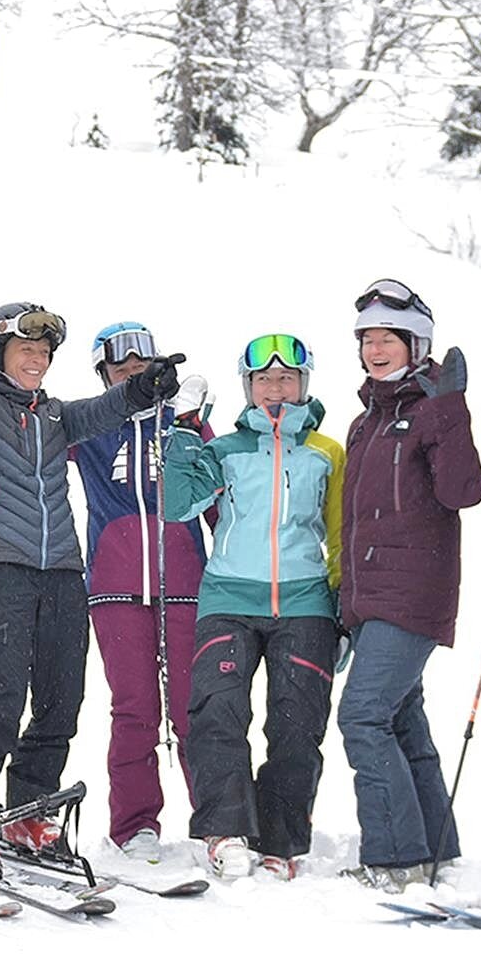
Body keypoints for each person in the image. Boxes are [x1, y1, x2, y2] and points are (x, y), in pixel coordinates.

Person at [0, 276, 182, 853]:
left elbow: (108, 407)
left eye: (44, 352)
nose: (38, 359)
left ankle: (28, 812)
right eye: (26, 350)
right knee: (1, 698)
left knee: (62, 700)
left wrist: (146, 389)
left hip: (64, 571)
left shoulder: (59, 415)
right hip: (2, 567)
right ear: (0, 354)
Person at [160, 334, 344, 881]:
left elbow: (339, 532)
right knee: (217, 713)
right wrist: (185, 432)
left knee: (296, 722)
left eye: (287, 379)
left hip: (306, 600)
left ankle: (281, 839)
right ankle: (224, 830)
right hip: (229, 599)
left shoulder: (327, 452)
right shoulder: (225, 451)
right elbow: (176, 503)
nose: (275, 389)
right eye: (263, 380)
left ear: (305, 384)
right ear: (248, 387)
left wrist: (343, 609)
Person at [335, 281, 481, 892]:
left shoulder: (433, 411)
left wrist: (451, 410)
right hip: (371, 598)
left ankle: (395, 858)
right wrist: (347, 605)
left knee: (363, 715)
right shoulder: (365, 421)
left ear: (416, 343)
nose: (376, 348)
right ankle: (433, 848)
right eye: (367, 339)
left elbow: (463, 493)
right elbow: (353, 523)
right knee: (399, 718)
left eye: (388, 338)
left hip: (414, 592)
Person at [71, 321, 215, 862]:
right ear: (103, 372)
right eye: (118, 364)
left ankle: (215, 820)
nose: (130, 370)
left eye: (141, 362)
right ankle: (135, 827)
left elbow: (216, 491)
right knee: (134, 709)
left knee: (192, 707)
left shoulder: (181, 423)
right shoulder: (88, 427)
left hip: (185, 582)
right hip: (114, 584)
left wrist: (191, 415)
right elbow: (29, 444)